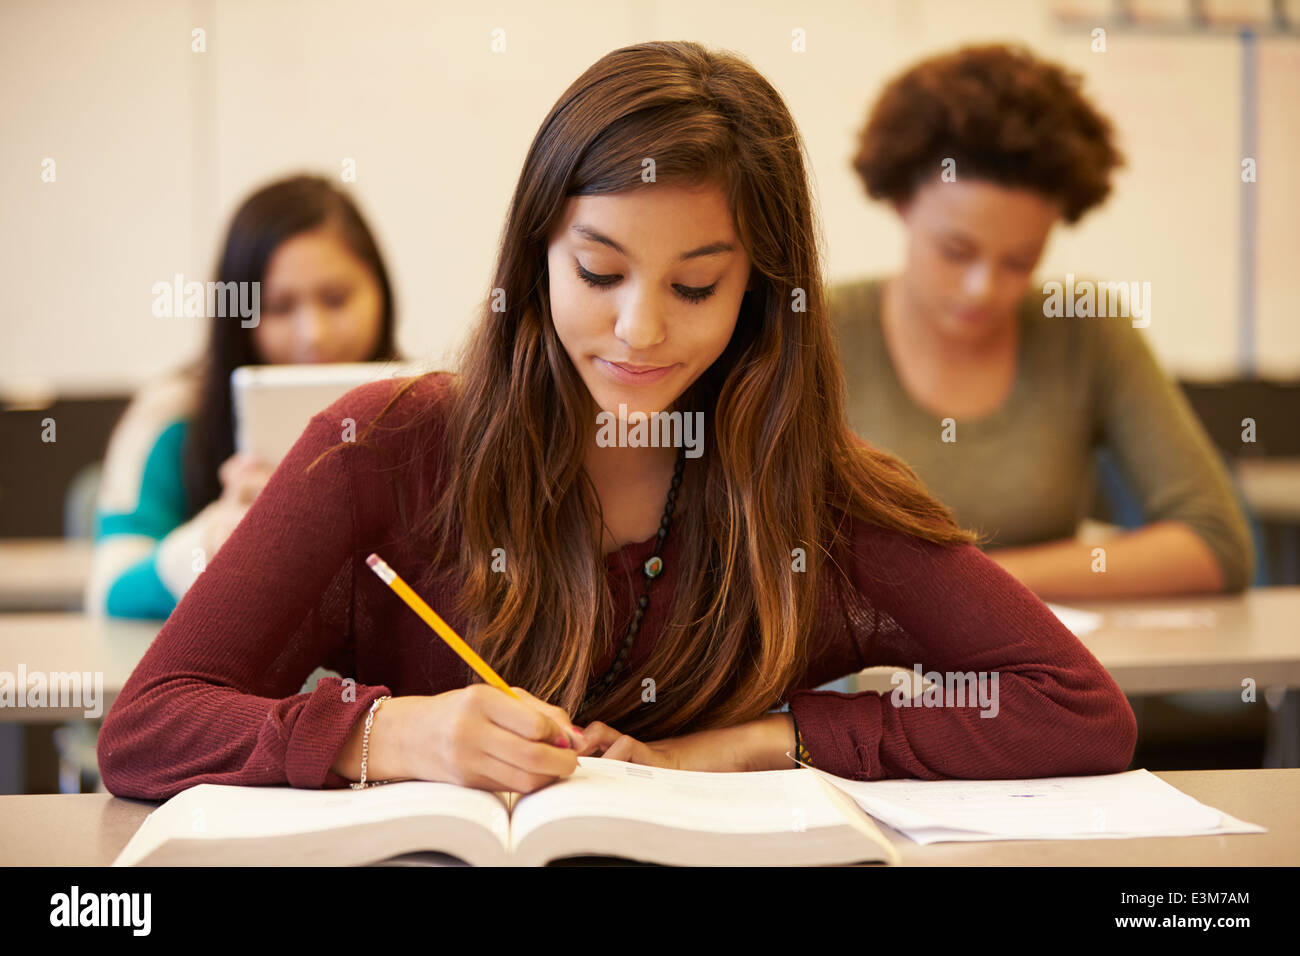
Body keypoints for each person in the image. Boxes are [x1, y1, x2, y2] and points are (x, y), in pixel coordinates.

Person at [97, 41, 1136, 802]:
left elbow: (1076, 707)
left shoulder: (813, 492)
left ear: (759, 294)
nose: (637, 328)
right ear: (536, 255)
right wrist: (397, 732)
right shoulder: (385, 445)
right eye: (598, 270)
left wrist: (762, 737)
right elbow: (145, 728)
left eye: (696, 285)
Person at [833, 44, 1255, 601]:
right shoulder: (819, 329)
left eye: (1020, 261)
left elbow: (1216, 542)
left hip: (1038, 677)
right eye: (956, 251)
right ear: (899, 204)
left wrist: (965, 590)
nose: (983, 288)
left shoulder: (1084, 328)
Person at [86, 175, 401, 619]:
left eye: (335, 299)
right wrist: (212, 539)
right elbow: (110, 590)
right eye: (278, 307)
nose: (313, 334)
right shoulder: (173, 415)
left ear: (381, 293)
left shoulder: (428, 404)